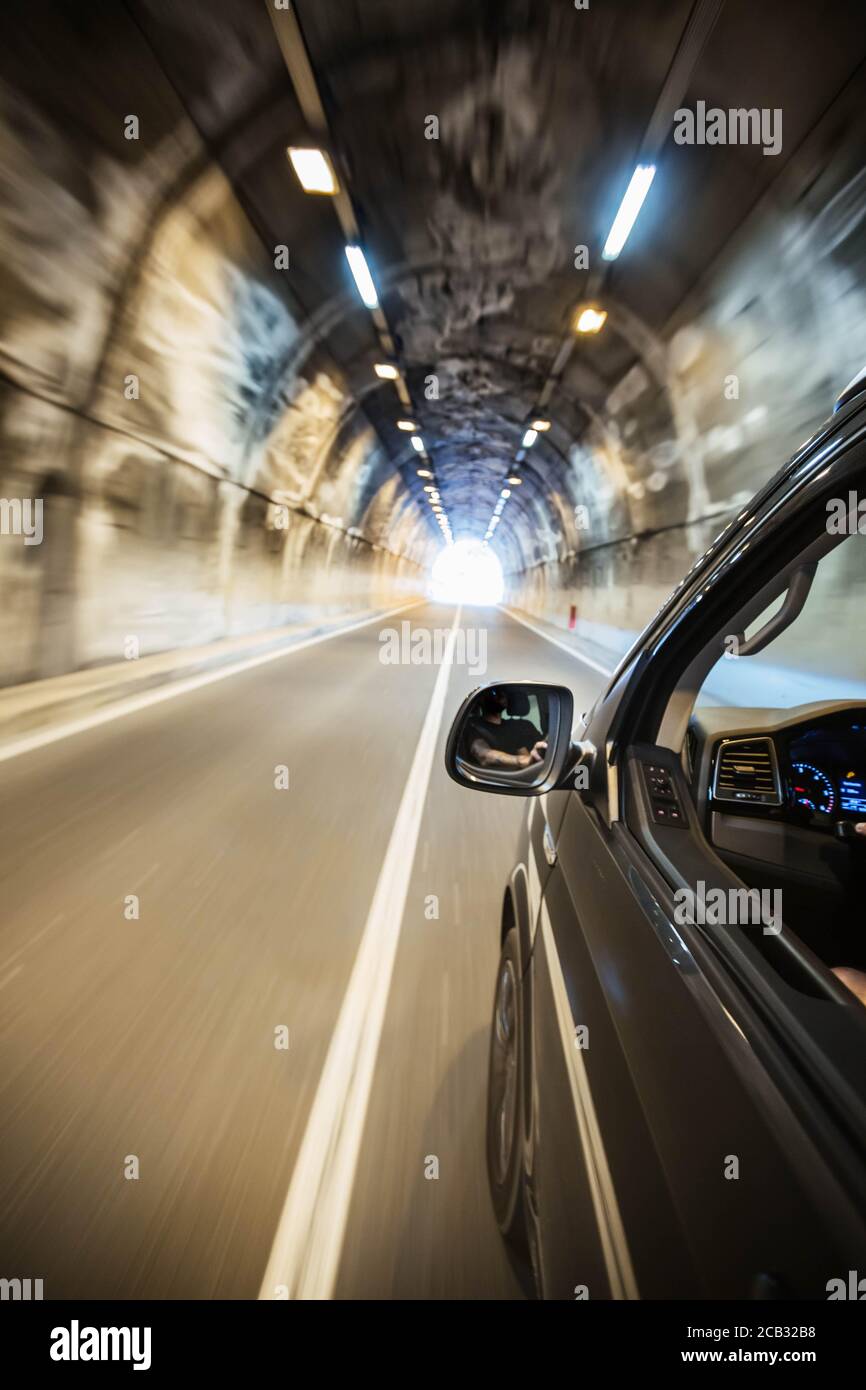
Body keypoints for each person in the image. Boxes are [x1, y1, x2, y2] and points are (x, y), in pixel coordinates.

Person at [467, 688, 547, 770]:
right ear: (480, 699)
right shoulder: (473, 727)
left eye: (504, 693)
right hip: (503, 780)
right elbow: (483, 755)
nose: (502, 696)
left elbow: (545, 749)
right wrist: (524, 760)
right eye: (494, 692)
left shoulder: (523, 725)